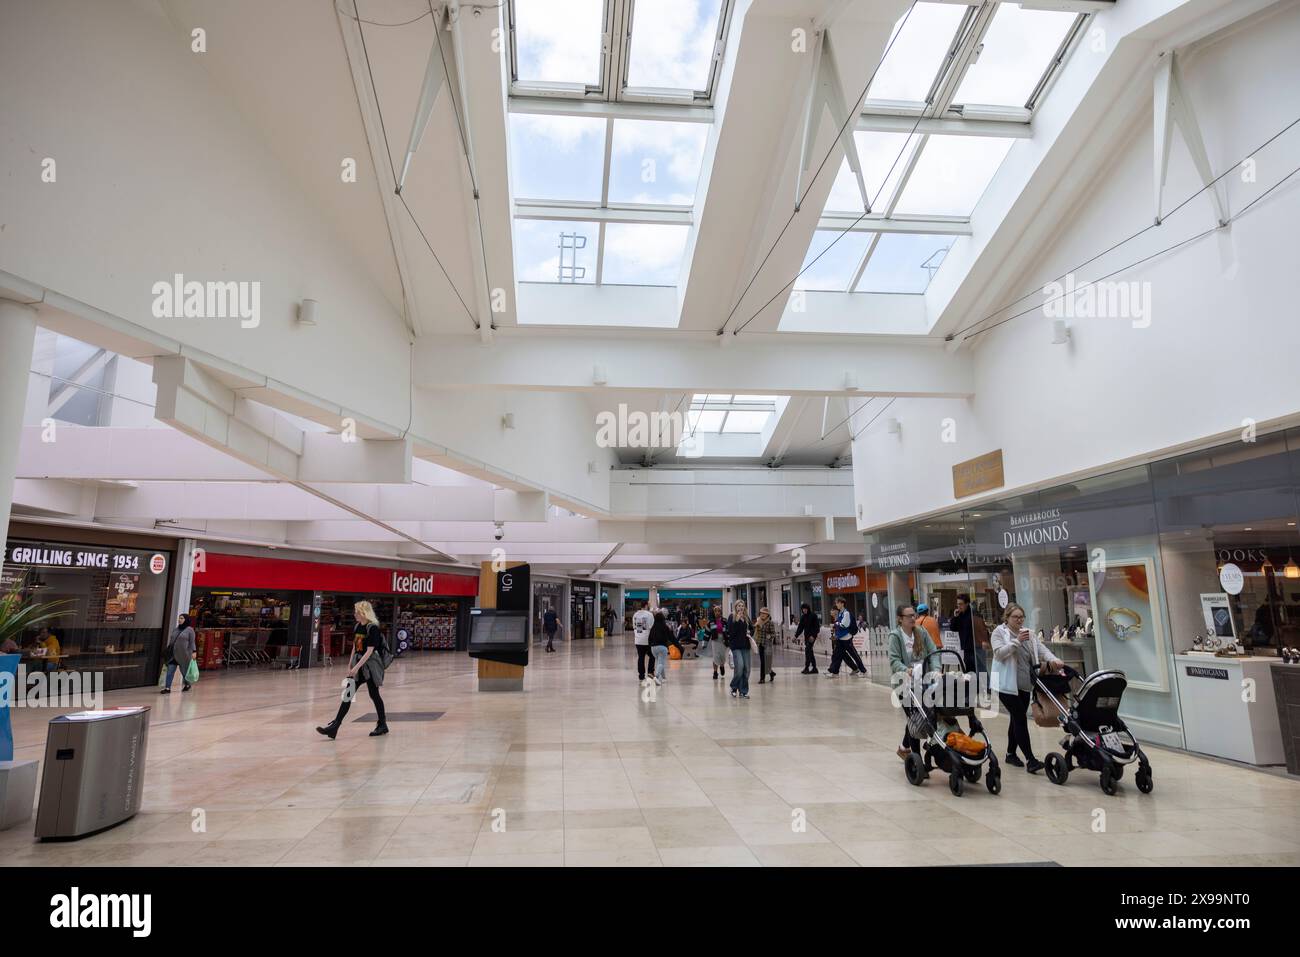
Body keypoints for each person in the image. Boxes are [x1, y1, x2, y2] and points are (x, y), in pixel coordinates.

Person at [990, 603, 1063, 773]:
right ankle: (1030, 759)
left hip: (1024, 684)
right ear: (1006, 618)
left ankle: (1010, 753)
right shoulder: (999, 632)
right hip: (1005, 685)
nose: (1019, 620)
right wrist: (1016, 642)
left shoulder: (1029, 633)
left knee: (1016, 718)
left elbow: (1042, 650)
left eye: (1021, 617)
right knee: (1020, 718)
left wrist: (1055, 660)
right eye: (1015, 617)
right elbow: (999, 653)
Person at [317, 601, 389, 739]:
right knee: (348, 694)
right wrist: (350, 663)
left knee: (374, 694)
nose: (354, 614)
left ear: (363, 613)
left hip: (371, 666)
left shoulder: (372, 628)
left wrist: (356, 667)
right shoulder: (357, 626)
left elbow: (369, 651)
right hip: (358, 664)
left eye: (356, 612)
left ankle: (382, 724)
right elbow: (356, 647)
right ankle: (335, 726)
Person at [888, 605, 938, 760]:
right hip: (904, 685)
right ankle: (916, 759)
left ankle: (904, 747)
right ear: (900, 619)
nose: (912, 618)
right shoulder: (895, 636)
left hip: (923, 683)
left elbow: (933, 651)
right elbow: (894, 660)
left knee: (921, 716)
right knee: (915, 719)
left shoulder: (921, 632)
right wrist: (906, 669)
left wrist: (936, 669)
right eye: (908, 616)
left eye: (913, 615)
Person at [824, 598, 867, 677]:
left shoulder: (846, 613)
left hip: (847, 638)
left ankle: (863, 670)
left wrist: (836, 624)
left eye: (837, 603)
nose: (837, 605)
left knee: (854, 655)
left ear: (842, 603)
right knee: (837, 655)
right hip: (840, 638)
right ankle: (834, 672)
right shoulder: (841, 613)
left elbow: (844, 625)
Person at [160, 614, 197, 694]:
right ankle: (167, 688)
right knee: (170, 671)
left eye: (181, 618)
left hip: (183, 655)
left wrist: (194, 651)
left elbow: (192, 642)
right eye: (179, 618)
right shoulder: (175, 630)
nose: (179, 620)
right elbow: (171, 641)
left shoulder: (190, 630)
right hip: (173, 655)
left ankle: (187, 684)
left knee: (184, 672)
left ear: (186, 619)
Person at [725, 600, 754, 699]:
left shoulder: (746, 617)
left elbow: (752, 628)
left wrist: (750, 632)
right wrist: (737, 621)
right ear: (735, 607)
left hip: (746, 646)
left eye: (742, 606)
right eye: (739, 606)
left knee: (747, 669)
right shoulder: (731, 617)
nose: (741, 608)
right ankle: (733, 687)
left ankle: (743, 691)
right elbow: (731, 632)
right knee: (740, 667)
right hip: (736, 646)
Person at [951, 594, 976, 675]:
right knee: (968, 669)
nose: (959, 606)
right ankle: (972, 686)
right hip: (966, 647)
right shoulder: (960, 615)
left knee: (978, 669)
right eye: (958, 604)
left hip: (975, 647)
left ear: (967, 603)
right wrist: (955, 617)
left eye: (961, 604)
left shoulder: (973, 614)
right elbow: (953, 628)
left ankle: (984, 686)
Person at [648, 611, 676, 685]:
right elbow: (671, 637)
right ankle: (656, 677)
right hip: (662, 647)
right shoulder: (665, 627)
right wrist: (677, 645)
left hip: (653, 648)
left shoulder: (653, 627)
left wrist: (650, 645)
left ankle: (664, 678)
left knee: (660, 663)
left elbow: (649, 638)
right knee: (661, 663)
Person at [794, 602, 821, 674]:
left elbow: (817, 627)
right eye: (803, 609)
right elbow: (800, 628)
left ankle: (806, 667)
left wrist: (813, 635)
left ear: (808, 609)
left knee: (807, 650)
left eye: (805, 609)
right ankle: (814, 668)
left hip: (812, 636)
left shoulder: (813, 616)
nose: (804, 610)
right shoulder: (803, 617)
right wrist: (795, 636)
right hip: (806, 636)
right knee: (810, 652)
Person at [632, 602, 655, 683]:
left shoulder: (635, 615)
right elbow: (652, 627)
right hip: (648, 640)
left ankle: (641, 675)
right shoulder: (649, 615)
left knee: (641, 657)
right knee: (652, 656)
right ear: (646, 606)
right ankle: (650, 673)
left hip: (638, 640)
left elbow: (634, 627)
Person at [754, 607, 777, 683]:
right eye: (761, 613)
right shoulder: (758, 622)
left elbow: (773, 634)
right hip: (760, 644)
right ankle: (766, 676)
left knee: (766, 661)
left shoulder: (770, 623)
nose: (763, 615)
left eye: (764, 613)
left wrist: (770, 636)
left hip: (767, 645)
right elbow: (756, 632)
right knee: (763, 661)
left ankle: (765, 676)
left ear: (768, 615)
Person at [709, 605, 727, 680]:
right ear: (713, 612)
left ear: (721, 612)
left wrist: (729, 639)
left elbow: (728, 631)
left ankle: (722, 666)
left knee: (722, 656)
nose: (717, 612)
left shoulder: (724, 621)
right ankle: (715, 672)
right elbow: (707, 631)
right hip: (715, 640)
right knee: (716, 656)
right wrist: (705, 642)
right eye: (715, 611)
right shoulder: (711, 621)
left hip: (723, 640)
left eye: (718, 611)